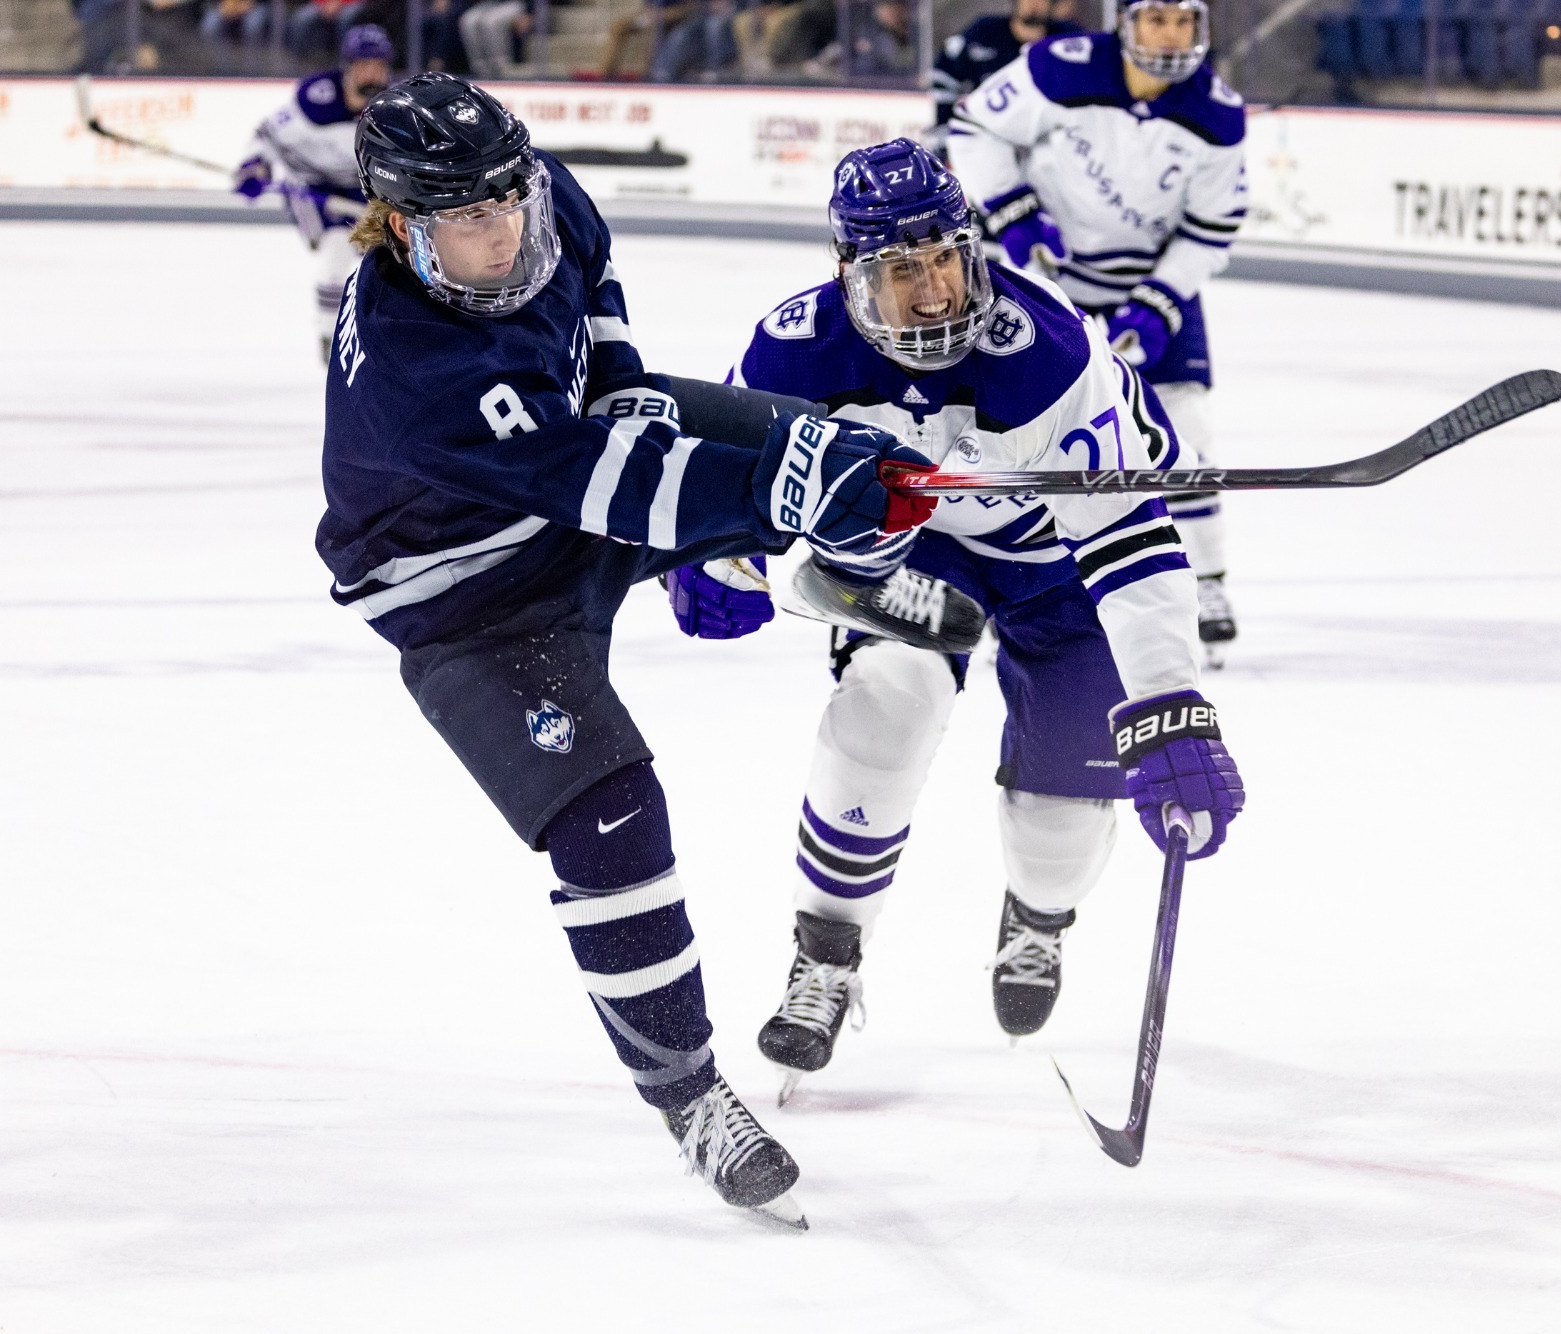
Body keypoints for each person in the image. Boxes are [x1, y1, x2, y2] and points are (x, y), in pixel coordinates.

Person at [317, 74, 941, 1222]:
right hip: (469, 600)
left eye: (506, 201)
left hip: (568, 481)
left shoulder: (535, 191)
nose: (501, 232)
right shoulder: (420, 371)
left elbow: (593, 289)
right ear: (403, 229)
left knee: (819, 449)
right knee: (611, 822)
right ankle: (688, 1092)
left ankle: (785, 563)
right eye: (464, 222)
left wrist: (619, 389)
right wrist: (758, 499)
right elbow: (604, 484)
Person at [718, 139, 1245, 1097]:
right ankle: (828, 955)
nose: (933, 295)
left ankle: (1038, 918)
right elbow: (743, 490)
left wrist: (1171, 706)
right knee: (886, 705)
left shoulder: (1050, 354)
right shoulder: (792, 350)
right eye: (900, 271)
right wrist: (727, 563)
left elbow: (1130, 536)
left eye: (947, 259)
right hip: (910, 553)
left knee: (1061, 830)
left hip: (1058, 564)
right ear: (848, 276)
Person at [949, 0, 1249, 661]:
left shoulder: (1219, 113)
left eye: (1183, 21)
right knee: (1018, 431)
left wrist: (1159, 300)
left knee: (1184, 437)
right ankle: (1024, 575)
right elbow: (974, 127)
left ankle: (1209, 581)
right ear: (1126, 22)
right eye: (1156, 19)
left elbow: (1210, 231)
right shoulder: (1062, 68)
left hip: (1148, 285)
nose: (1170, 36)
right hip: (1048, 276)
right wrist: (1014, 216)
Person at [233, 25, 396, 362]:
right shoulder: (314, 99)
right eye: (364, 65)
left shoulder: (391, 106)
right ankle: (329, 335)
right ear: (347, 67)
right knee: (336, 246)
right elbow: (267, 134)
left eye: (379, 65)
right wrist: (255, 166)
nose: (372, 73)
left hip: (358, 188)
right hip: (309, 187)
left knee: (384, 257)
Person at [931, 0, 1083, 128]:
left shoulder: (1067, 38)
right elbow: (944, 72)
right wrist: (944, 125)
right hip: (989, 136)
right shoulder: (984, 32)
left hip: (1047, 138)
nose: (1034, 3)